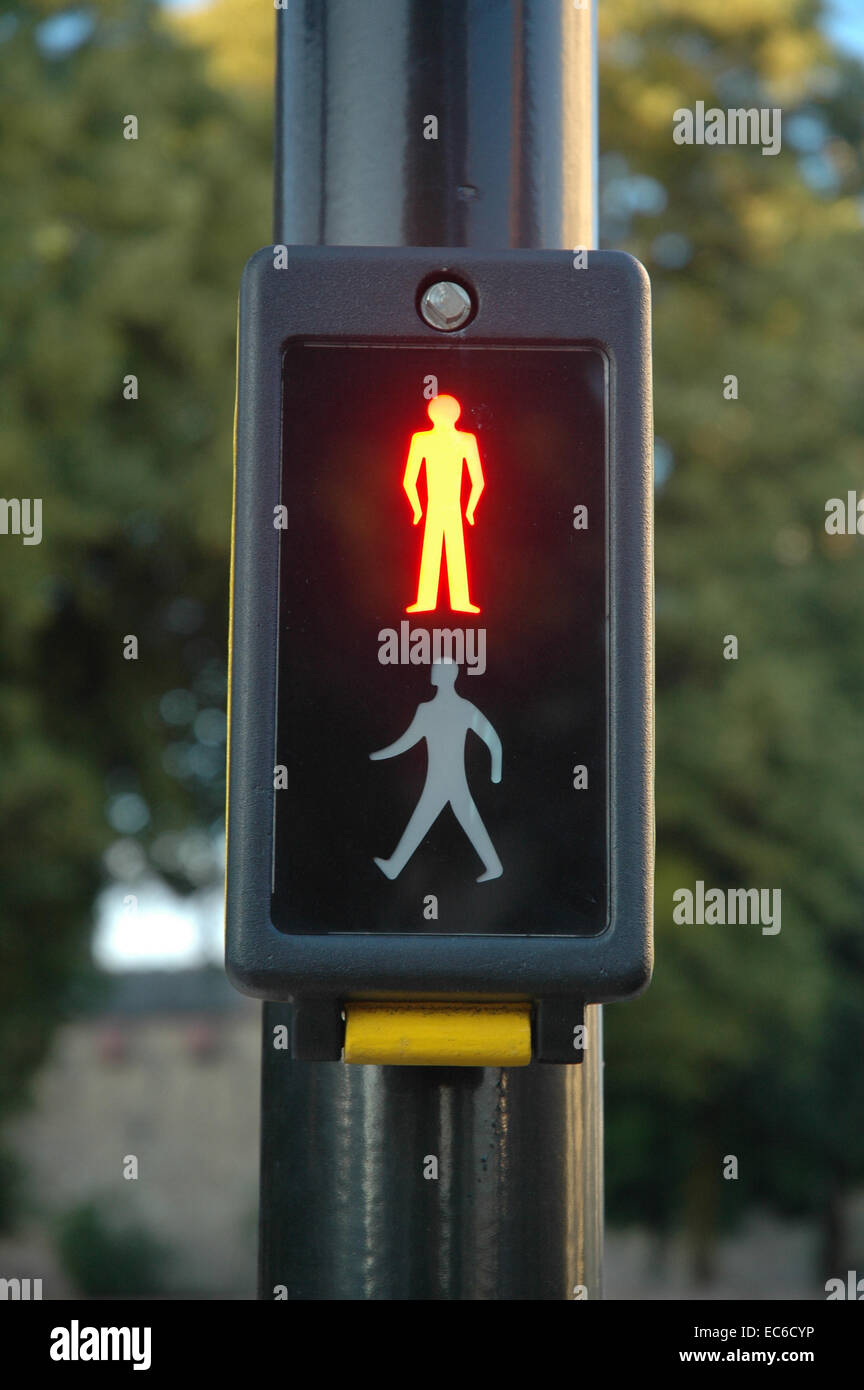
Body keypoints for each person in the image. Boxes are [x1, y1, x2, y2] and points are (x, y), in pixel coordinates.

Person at [370, 661, 503, 882]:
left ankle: (395, 866)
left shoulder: (461, 708)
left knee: (432, 819)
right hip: (442, 780)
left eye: (437, 670)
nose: (432, 672)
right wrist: (380, 755)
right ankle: (494, 866)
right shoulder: (430, 709)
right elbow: (407, 741)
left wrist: (496, 774)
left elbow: (493, 741)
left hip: (448, 780)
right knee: (448, 820)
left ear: (449, 676)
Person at [402, 394, 484, 613]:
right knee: (454, 551)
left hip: (435, 507)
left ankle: (430, 601)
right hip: (451, 507)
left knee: (432, 551)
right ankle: (457, 602)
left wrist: (417, 509)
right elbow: (478, 483)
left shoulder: (423, 440)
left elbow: (409, 481)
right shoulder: (466, 441)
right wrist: (470, 510)